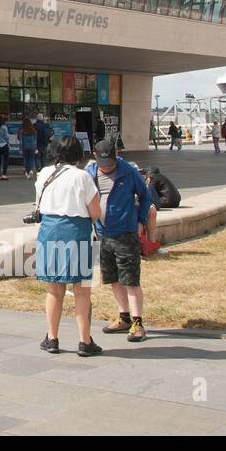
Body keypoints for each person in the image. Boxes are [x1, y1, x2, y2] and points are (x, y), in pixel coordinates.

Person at [33, 135, 104, 357]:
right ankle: (84, 341)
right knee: (82, 290)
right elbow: (95, 212)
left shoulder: (44, 174)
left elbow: (38, 205)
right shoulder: (82, 176)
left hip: (50, 230)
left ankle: (52, 338)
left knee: (54, 289)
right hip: (76, 231)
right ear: (78, 154)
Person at [87, 139, 155, 342]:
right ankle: (123, 316)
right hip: (103, 233)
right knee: (113, 278)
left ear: (116, 155)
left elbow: (145, 197)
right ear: (95, 155)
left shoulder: (129, 171)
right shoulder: (90, 173)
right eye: (103, 163)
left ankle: (137, 323)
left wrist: (141, 220)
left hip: (126, 232)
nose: (106, 168)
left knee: (131, 280)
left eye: (110, 163)